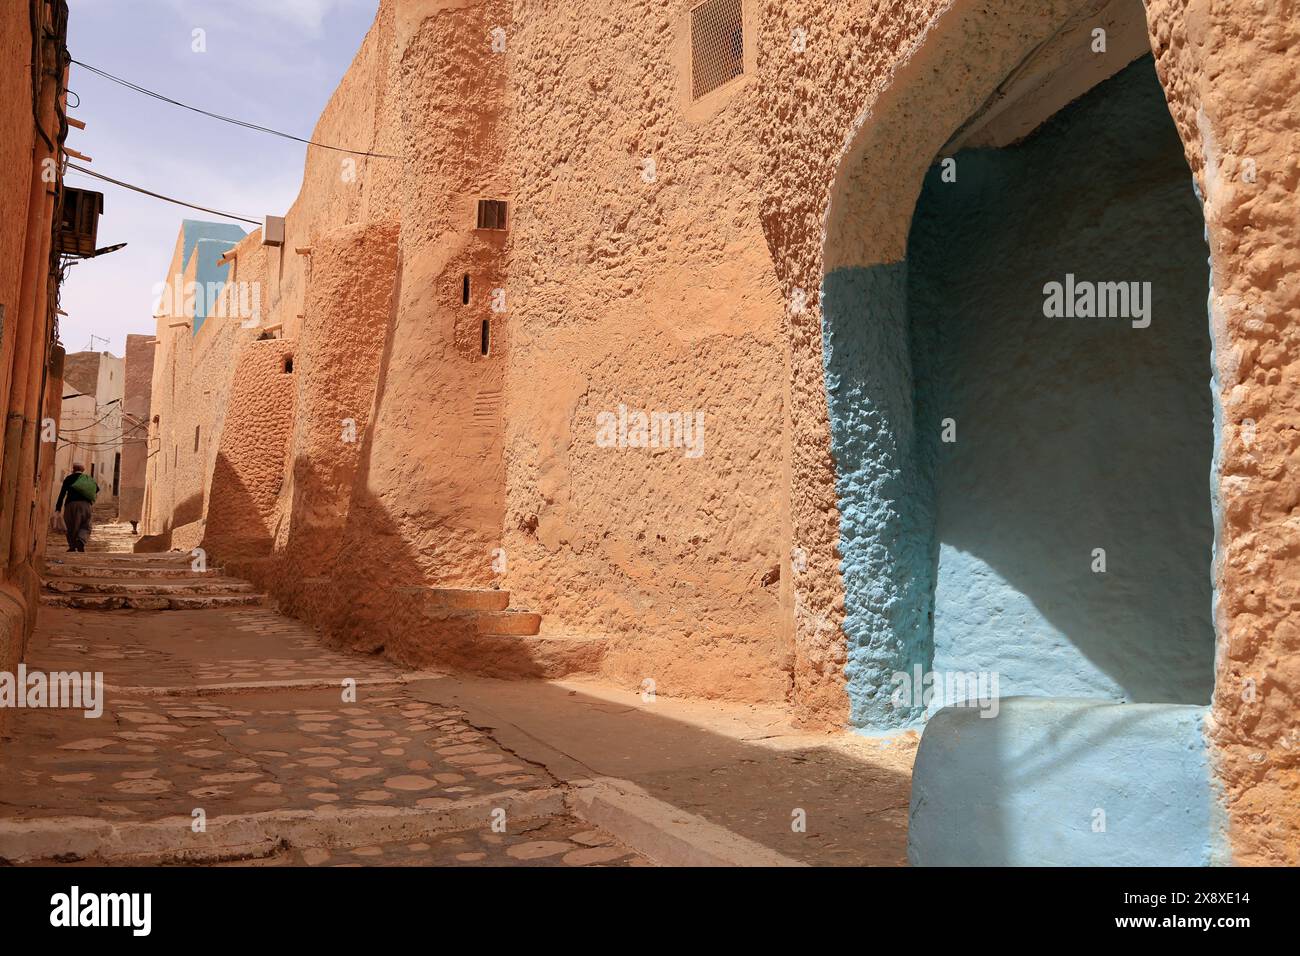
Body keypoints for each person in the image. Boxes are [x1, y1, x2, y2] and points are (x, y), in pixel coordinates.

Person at [55, 462, 97, 553]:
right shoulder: (88, 479)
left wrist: (58, 507)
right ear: (83, 470)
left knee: (70, 525)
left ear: (73, 469)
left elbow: (62, 494)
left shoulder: (69, 478)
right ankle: (81, 541)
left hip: (71, 505)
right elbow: (96, 489)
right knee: (85, 525)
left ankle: (72, 546)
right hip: (86, 505)